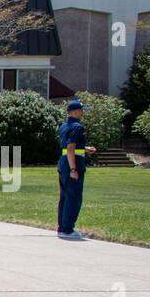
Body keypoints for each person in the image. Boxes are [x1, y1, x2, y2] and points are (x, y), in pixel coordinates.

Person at [57, 99, 96, 240]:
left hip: (63, 162)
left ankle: (62, 227)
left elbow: (68, 145)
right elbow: (71, 148)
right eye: (81, 110)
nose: (82, 112)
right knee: (74, 197)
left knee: (64, 196)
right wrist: (74, 169)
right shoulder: (77, 127)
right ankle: (67, 229)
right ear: (74, 111)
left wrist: (85, 148)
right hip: (72, 163)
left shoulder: (63, 126)